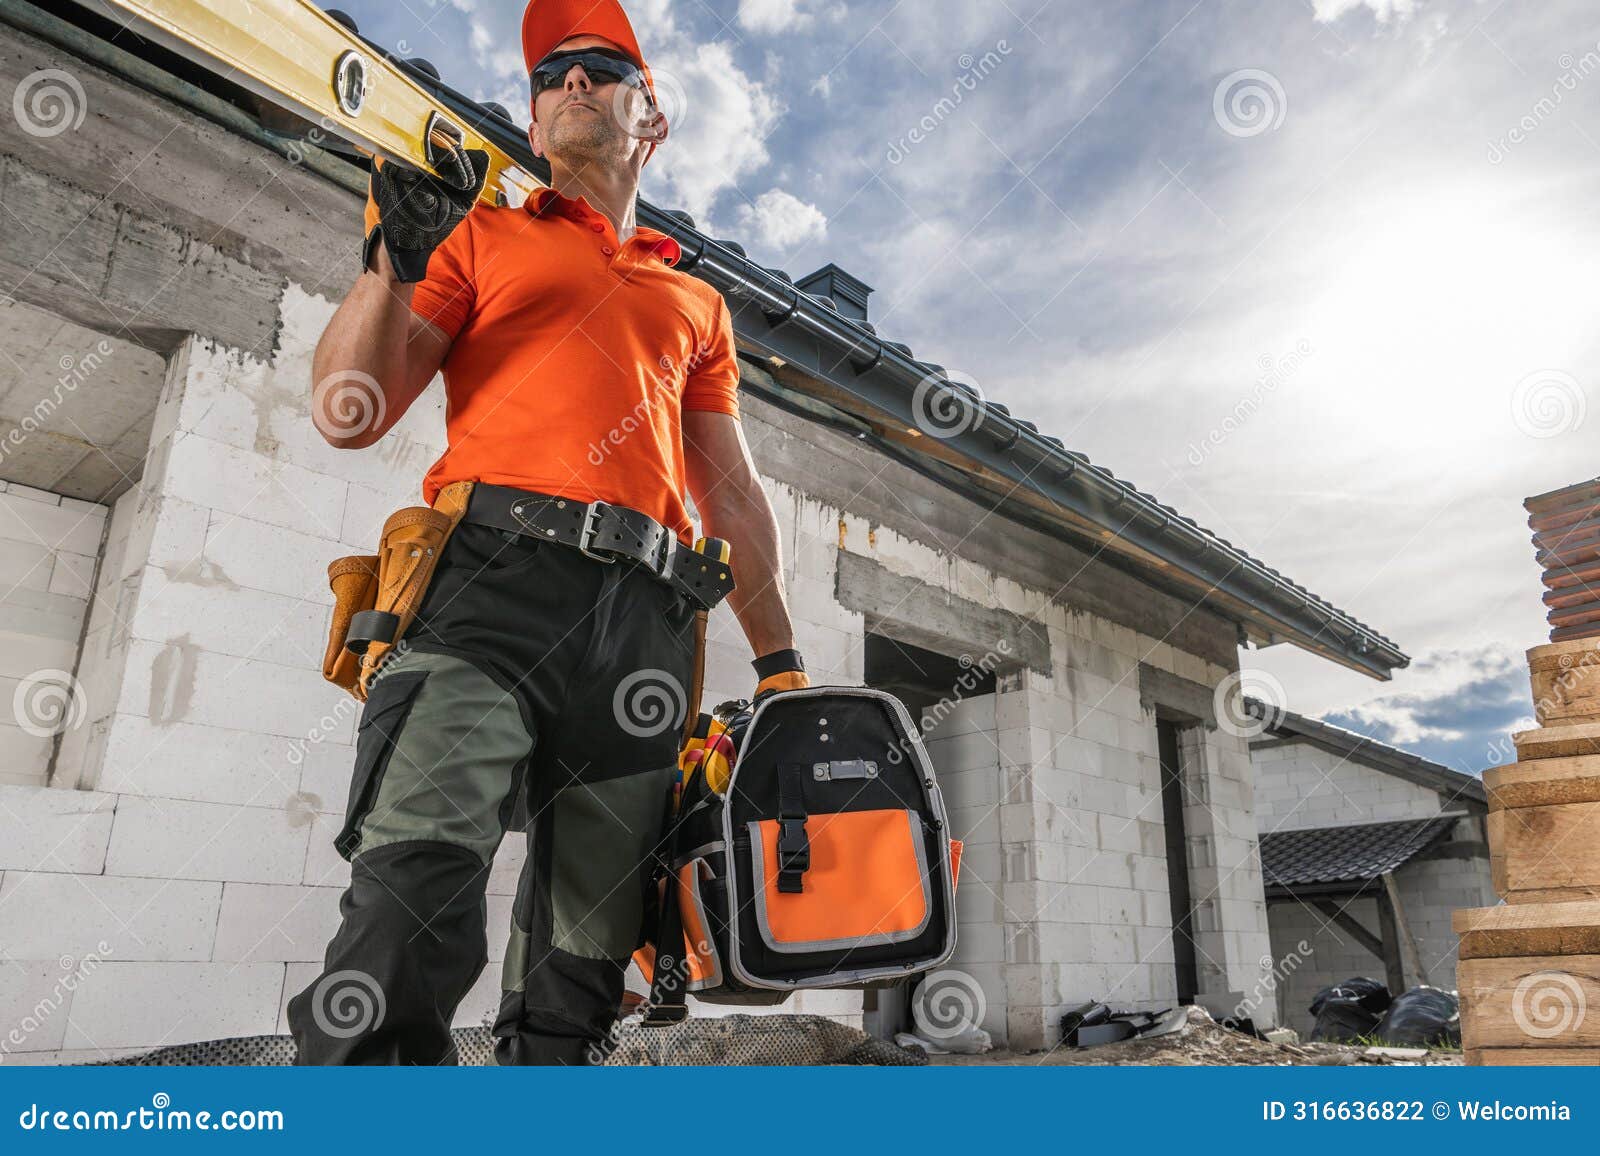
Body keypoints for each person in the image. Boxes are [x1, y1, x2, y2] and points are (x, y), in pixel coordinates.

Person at [288, 0, 808, 1065]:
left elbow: (734, 495)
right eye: (552, 73)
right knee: (409, 898)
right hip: (482, 591)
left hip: (646, 630)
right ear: (531, 123)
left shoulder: (693, 302)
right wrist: (393, 256)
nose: (571, 80)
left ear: (648, 118)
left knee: (584, 954)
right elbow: (350, 412)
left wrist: (785, 671)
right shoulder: (479, 232)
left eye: (601, 66)